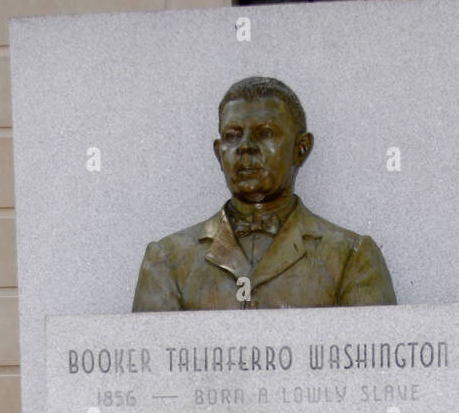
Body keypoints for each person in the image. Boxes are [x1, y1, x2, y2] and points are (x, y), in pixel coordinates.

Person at [132, 76, 396, 311]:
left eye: (265, 133)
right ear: (218, 152)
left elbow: (374, 364)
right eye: (233, 135)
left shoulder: (350, 256)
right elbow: (151, 362)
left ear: (301, 148)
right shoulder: (167, 260)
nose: (246, 147)